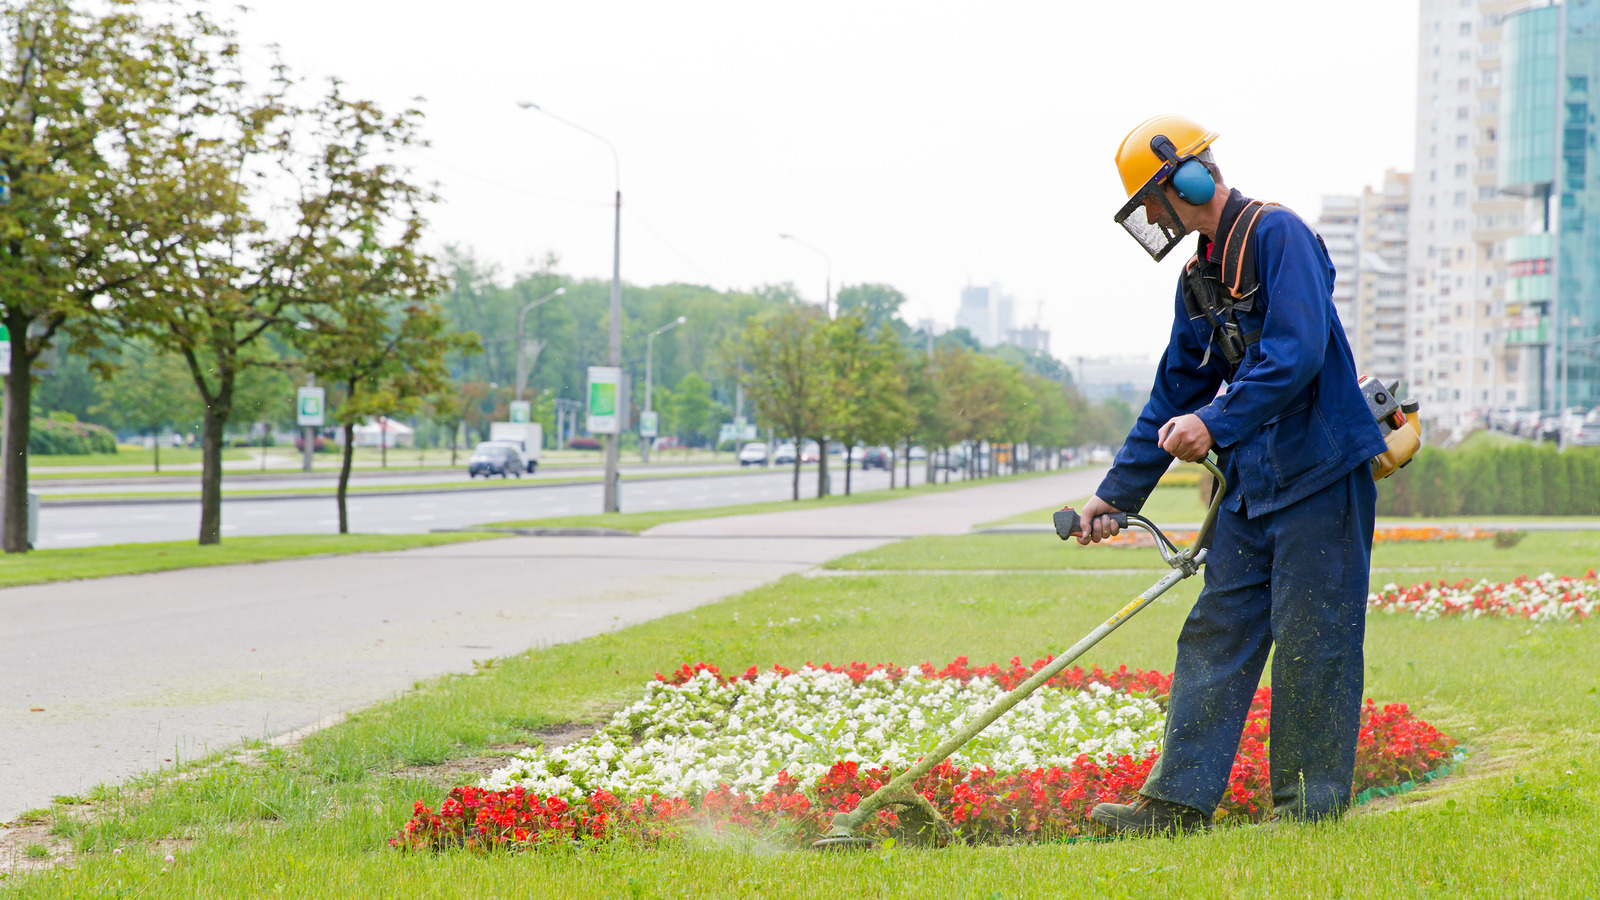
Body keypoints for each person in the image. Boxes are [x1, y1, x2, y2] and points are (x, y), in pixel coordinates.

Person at [1080, 115, 1388, 834]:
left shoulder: (1279, 236)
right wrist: (1114, 495)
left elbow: (1296, 352)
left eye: (1152, 200)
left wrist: (1214, 425)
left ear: (1186, 178)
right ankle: (1175, 804)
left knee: (1315, 643)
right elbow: (1174, 392)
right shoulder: (1199, 275)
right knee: (1214, 635)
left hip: (1320, 477)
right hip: (1253, 491)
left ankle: (1309, 813)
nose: (1152, 218)